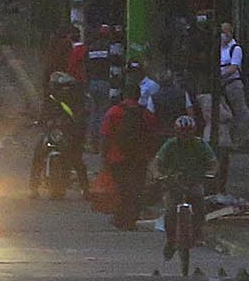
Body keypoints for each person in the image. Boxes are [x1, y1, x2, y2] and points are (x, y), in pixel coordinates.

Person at [152, 114, 218, 262]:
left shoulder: (200, 144)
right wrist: (159, 175)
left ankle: (197, 233)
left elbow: (213, 162)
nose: (185, 134)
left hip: (194, 182)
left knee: (200, 204)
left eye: (188, 131)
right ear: (176, 131)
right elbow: (157, 162)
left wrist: (210, 174)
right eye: (182, 131)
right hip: (174, 184)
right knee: (170, 211)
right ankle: (170, 240)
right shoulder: (170, 145)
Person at [34, 71, 88, 201]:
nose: (64, 91)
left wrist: (77, 127)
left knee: (77, 159)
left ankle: (86, 189)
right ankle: (33, 187)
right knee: (39, 155)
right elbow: (43, 115)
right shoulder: (51, 100)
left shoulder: (75, 101)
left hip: (69, 134)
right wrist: (42, 122)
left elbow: (81, 117)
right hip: (54, 133)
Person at [98, 92, 149, 230]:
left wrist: (104, 155)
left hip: (117, 157)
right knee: (136, 188)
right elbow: (151, 134)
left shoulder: (114, 112)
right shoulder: (145, 113)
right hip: (139, 158)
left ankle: (121, 217)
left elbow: (105, 135)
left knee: (121, 188)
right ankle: (132, 219)